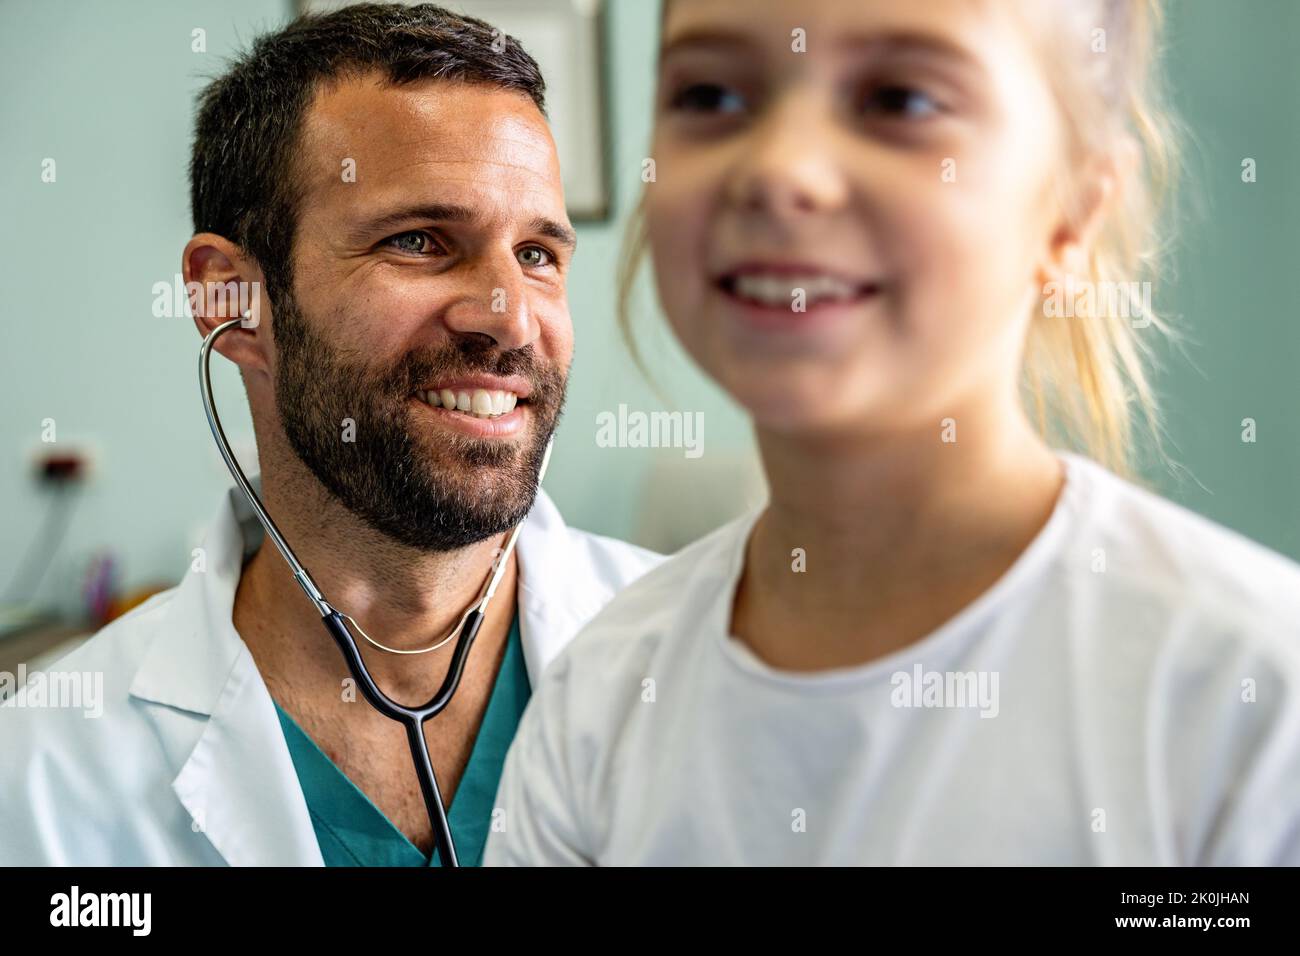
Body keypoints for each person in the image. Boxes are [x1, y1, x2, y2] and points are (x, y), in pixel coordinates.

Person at [485, 0, 1300, 865]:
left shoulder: (1251, 700)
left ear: (1074, 212)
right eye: (712, 95)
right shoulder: (596, 704)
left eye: (901, 100)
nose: (777, 168)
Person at [0, 3, 659, 866]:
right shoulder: (45, 781)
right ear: (230, 298)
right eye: (419, 240)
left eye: (538, 253)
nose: (509, 321)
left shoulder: (707, 666)